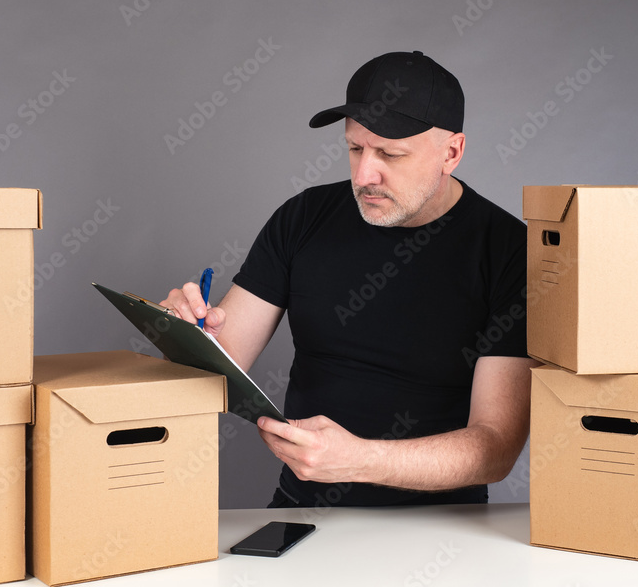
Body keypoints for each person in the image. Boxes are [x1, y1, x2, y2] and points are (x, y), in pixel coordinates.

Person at [162, 50, 535, 508]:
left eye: (390, 154)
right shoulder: (303, 217)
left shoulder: (510, 252)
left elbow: (496, 448)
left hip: (446, 529)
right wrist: (185, 336)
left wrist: (360, 460)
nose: (364, 175)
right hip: (304, 514)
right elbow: (217, 364)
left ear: (451, 152)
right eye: (355, 148)